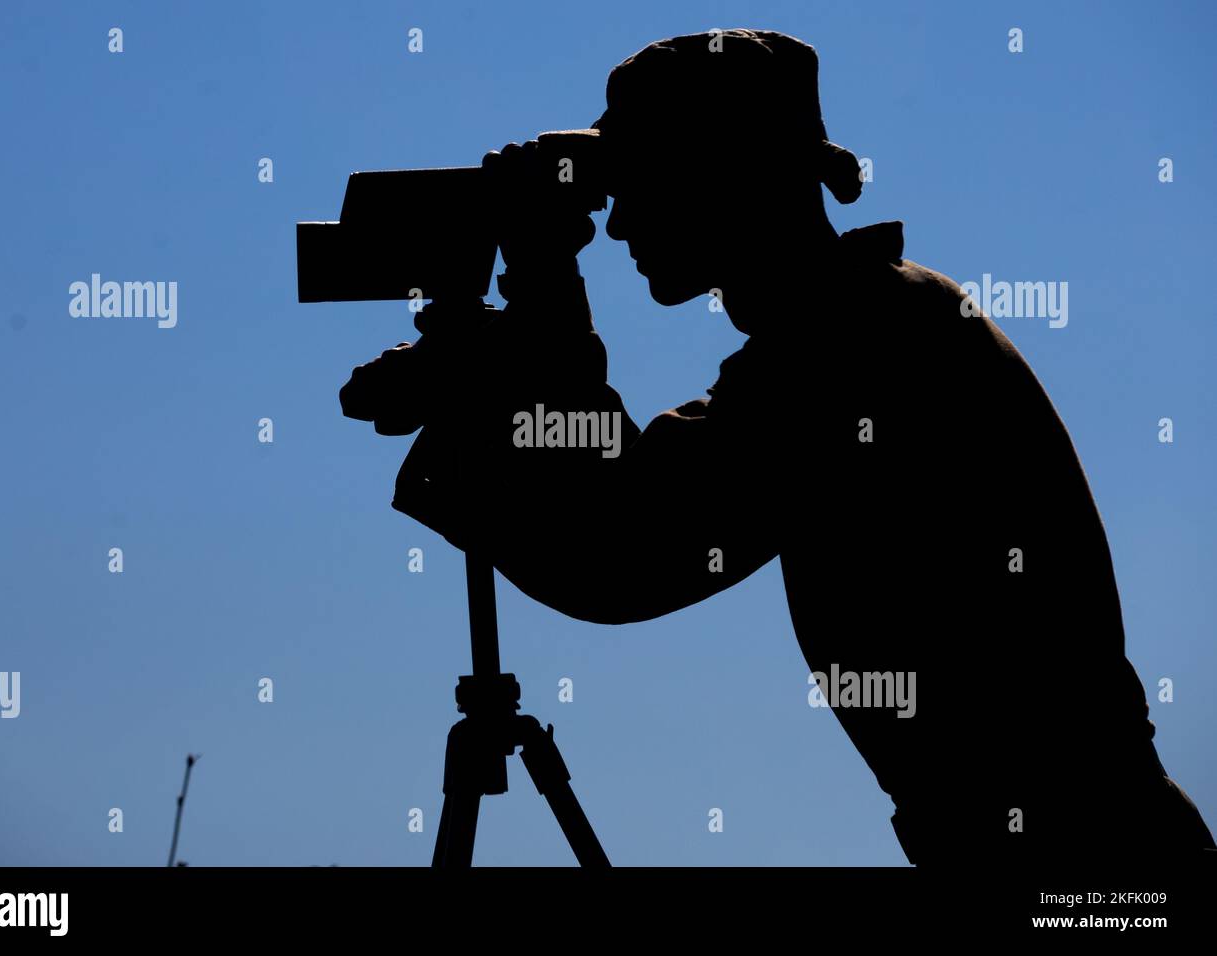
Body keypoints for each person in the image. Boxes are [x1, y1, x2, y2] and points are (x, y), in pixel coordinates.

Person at [340, 29, 1215, 863]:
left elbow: (628, 545)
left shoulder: (859, 341)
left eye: (636, 180)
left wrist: (539, 281)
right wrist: (500, 365)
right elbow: (645, 496)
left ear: (720, 178)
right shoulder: (858, 324)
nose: (613, 225)